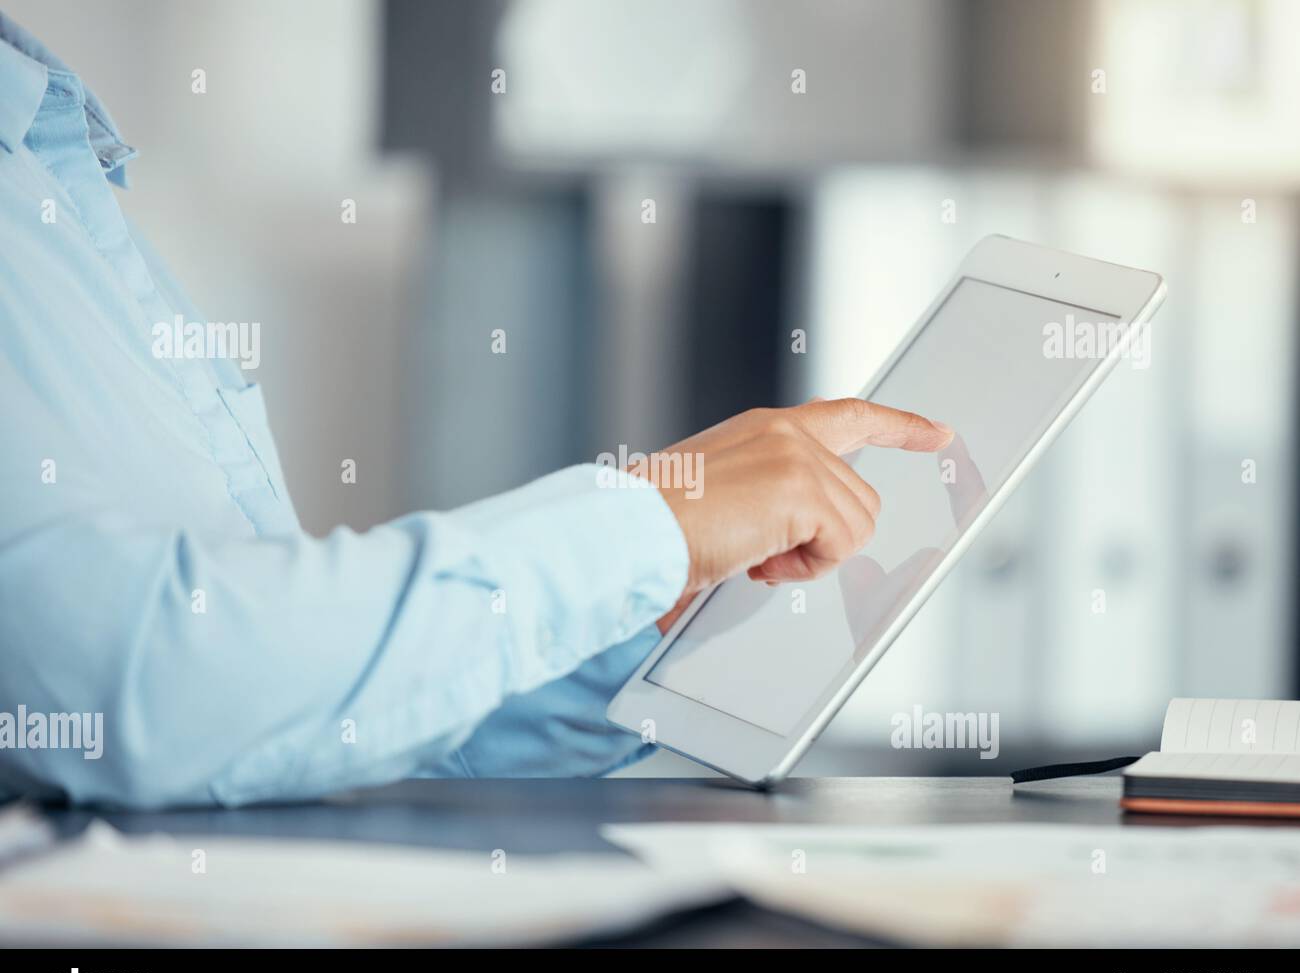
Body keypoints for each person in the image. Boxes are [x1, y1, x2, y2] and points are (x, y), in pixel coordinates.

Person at [0, 14, 952, 808]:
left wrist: (636, 605)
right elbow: (147, 695)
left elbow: (288, 724)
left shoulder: (43, 149)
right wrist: (642, 527)